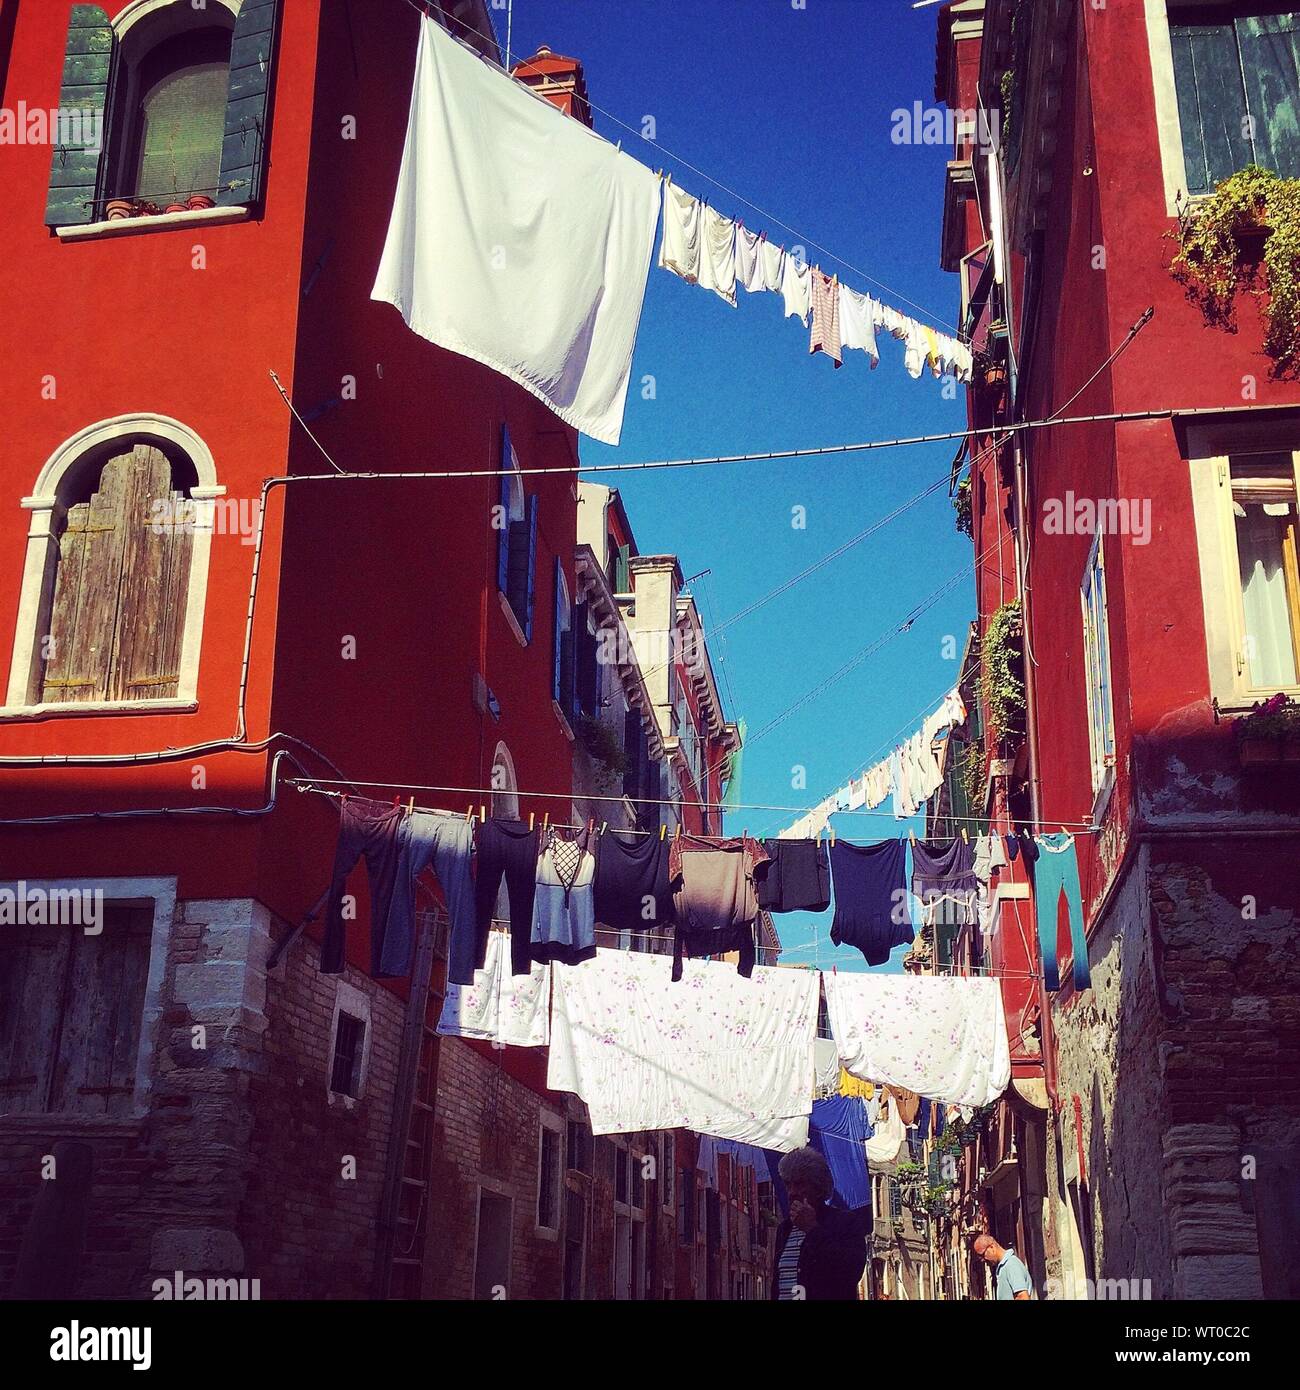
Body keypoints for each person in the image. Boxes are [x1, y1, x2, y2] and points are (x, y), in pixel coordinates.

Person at [771, 1147, 871, 1300]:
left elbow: (851, 1271)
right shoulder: (784, 1230)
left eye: (799, 1184)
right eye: (788, 1185)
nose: (792, 1192)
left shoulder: (845, 1223)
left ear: (817, 1187)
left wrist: (812, 1229)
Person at [972, 1233, 1033, 1300]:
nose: (983, 1260)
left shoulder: (1011, 1264)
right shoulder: (1003, 1267)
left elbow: (1023, 1297)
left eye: (983, 1255)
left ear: (992, 1247)